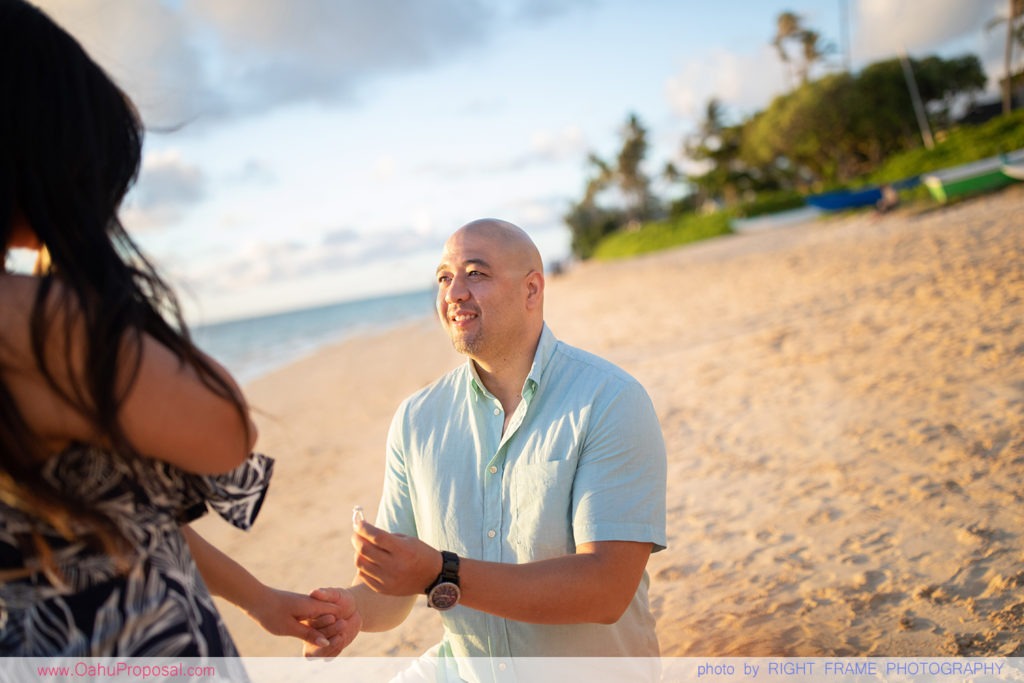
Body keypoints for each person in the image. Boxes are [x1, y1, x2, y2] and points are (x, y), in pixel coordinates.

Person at [0, 0, 354, 658]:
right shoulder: (39, 323)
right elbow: (224, 431)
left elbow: (100, 521)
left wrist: (260, 599)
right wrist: (82, 263)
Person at [308, 219, 667, 679]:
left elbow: (606, 589)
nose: (454, 292)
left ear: (532, 290)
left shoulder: (609, 400)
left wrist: (443, 573)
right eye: (443, 277)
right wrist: (349, 609)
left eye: (475, 273)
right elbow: (393, 590)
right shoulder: (417, 420)